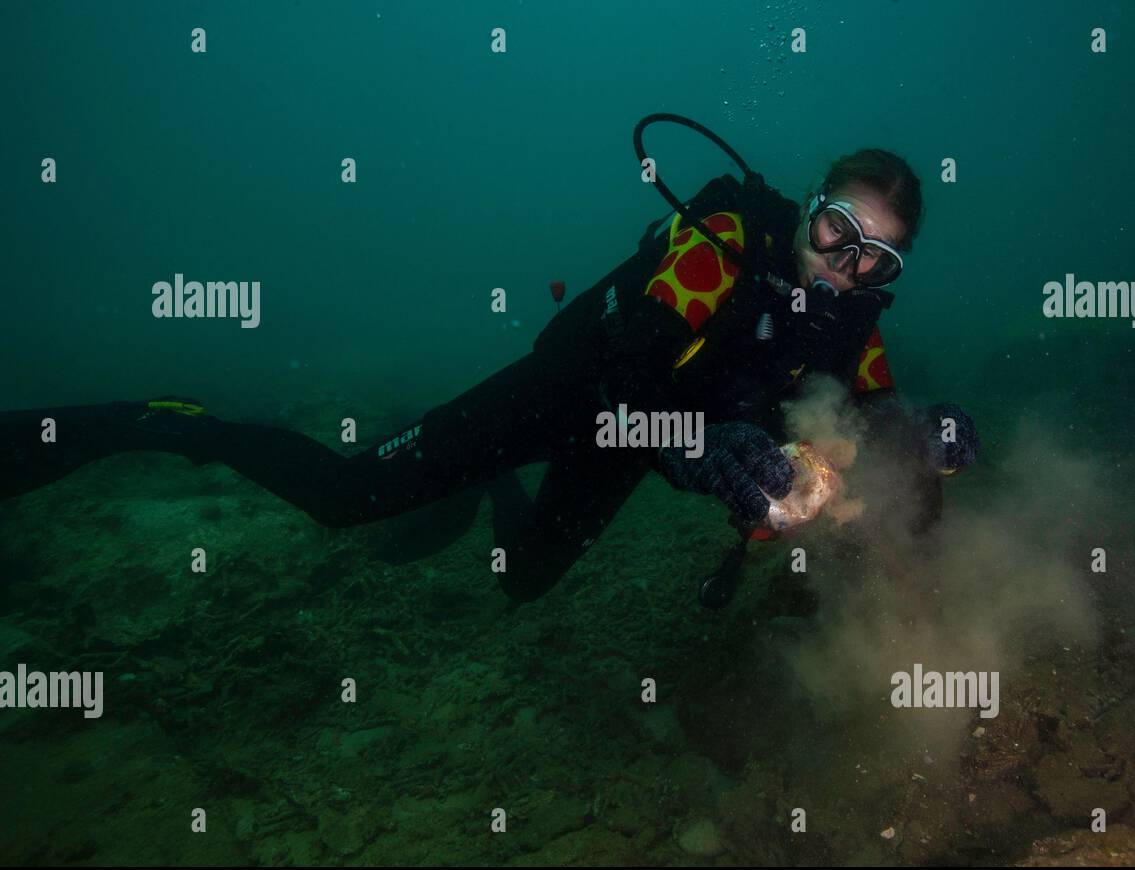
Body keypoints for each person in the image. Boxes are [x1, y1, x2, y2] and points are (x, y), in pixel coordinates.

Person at [0, 148, 978, 603]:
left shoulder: (854, 333)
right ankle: (162, 418)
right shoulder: (721, 239)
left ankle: (488, 490)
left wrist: (925, 434)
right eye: (833, 232)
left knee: (524, 585)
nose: (843, 265)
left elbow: (883, 419)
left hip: (639, 452)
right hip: (564, 395)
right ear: (806, 208)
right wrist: (703, 444)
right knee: (351, 497)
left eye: (873, 262)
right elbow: (629, 369)